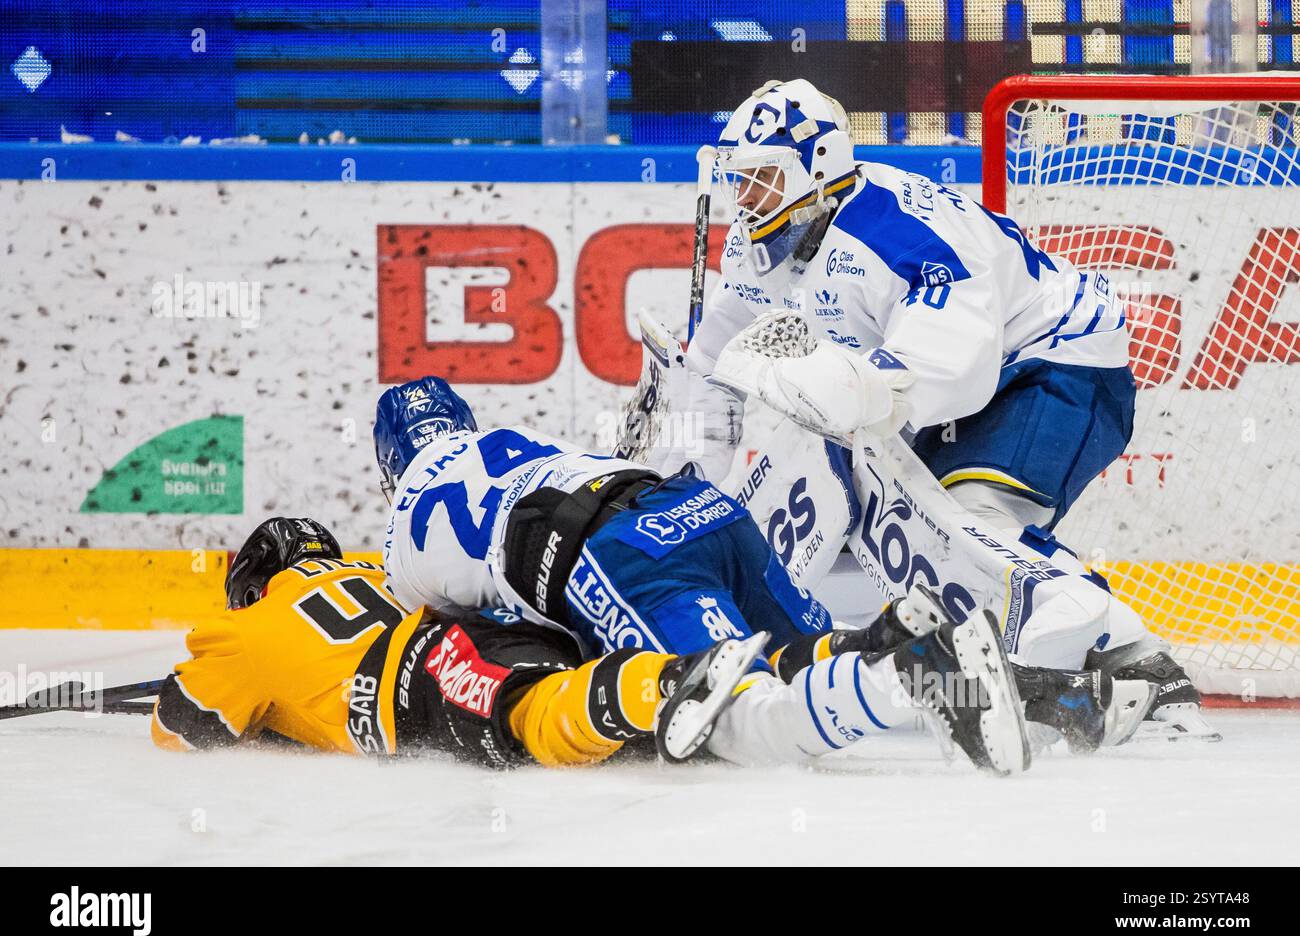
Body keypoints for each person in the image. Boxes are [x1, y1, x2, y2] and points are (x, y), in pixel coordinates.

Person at [670, 78, 1212, 739]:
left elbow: (958, 367)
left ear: (818, 170)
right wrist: (697, 472)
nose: (746, 201)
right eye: (739, 181)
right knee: (922, 532)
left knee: (970, 519)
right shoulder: (767, 243)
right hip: (973, 379)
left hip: (1057, 362)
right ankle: (1118, 667)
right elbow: (711, 360)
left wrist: (853, 390)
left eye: (762, 181)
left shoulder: (892, 234)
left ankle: (1143, 677)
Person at [376, 375, 1152, 773]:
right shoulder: (511, 436)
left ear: (389, 463)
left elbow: (456, 647)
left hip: (618, 558)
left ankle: (907, 674)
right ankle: (1059, 697)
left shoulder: (402, 532)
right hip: (695, 508)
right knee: (808, 655)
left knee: (742, 723)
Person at [150, 517, 763, 767]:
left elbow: (180, 727)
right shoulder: (372, 573)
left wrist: (270, 717)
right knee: (564, 691)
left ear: (254, 586)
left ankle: (659, 686)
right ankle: (805, 661)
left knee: (530, 718)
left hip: (422, 675)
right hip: (486, 620)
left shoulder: (242, 631)